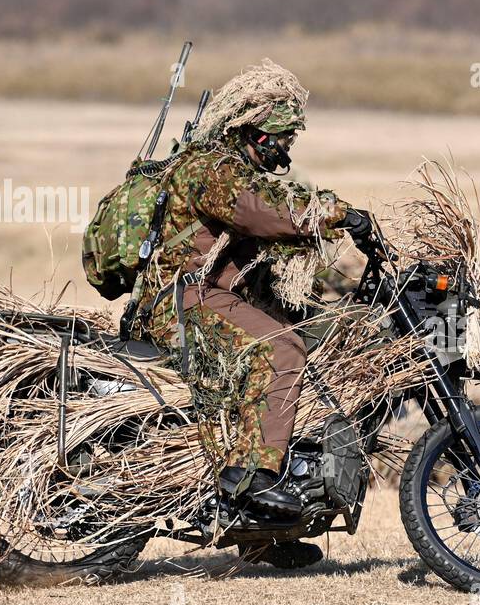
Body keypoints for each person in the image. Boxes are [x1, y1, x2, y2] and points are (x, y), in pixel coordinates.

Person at [125, 61, 372, 560]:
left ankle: (262, 532)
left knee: (299, 344)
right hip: (180, 302)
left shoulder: (232, 167)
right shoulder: (211, 168)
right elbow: (266, 215)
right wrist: (341, 214)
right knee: (281, 349)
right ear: (253, 132)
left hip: (204, 298)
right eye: (280, 138)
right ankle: (249, 483)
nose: (285, 149)